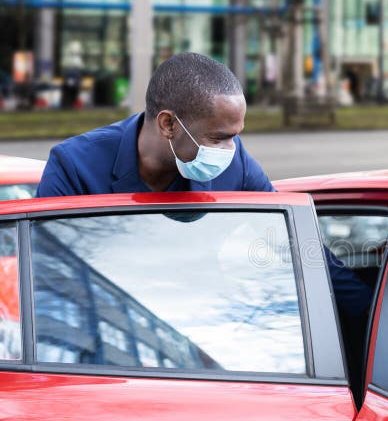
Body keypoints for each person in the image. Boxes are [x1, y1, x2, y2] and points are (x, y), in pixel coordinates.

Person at [36, 52, 370, 318]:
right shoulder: (74, 167)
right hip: (115, 330)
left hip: (205, 330)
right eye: (218, 137)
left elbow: (298, 248)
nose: (230, 149)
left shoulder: (236, 164)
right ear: (168, 124)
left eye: (235, 136)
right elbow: (48, 281)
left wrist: (372, 314)